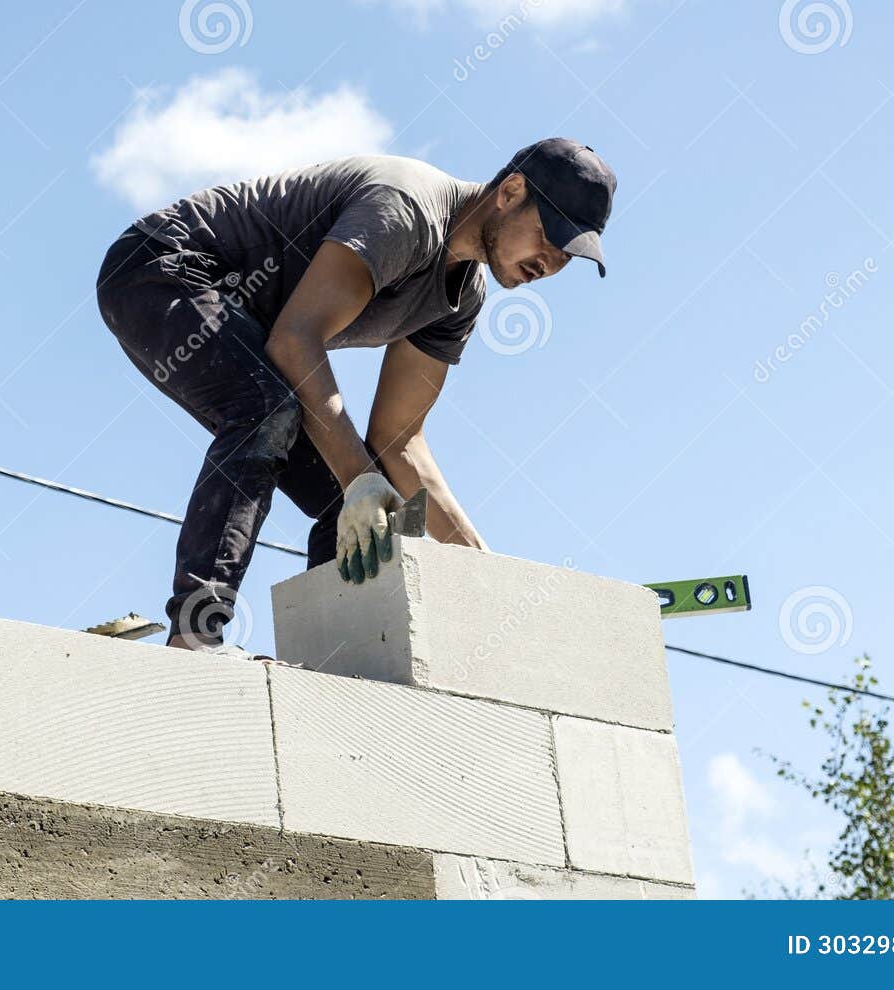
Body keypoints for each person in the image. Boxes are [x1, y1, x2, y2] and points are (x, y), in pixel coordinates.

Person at [96, 137, 616, 651]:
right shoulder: (406, 211)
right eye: (550, 236)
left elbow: (399, 440)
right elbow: (295, 339)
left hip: (251, 329)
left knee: (359, 504)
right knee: (267, 409)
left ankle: (334, 662)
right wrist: (361, 481)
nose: (550, 262)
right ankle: (195, 634)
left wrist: (483, 573)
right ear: (511, 191)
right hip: (162, 268)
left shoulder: (460, 299)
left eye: (567, 255)